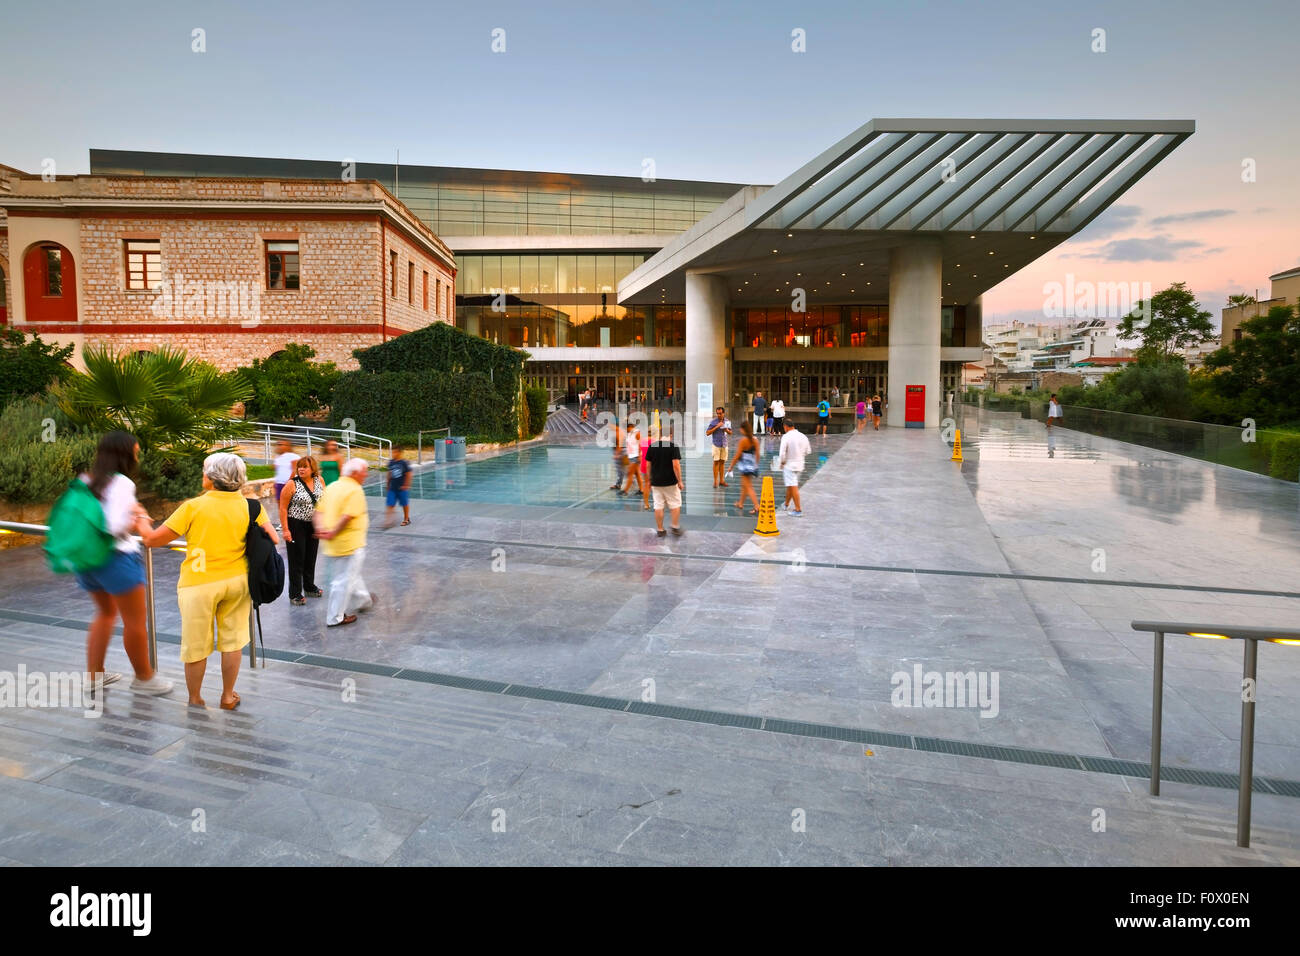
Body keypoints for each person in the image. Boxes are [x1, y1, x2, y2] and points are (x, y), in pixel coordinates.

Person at [137, 452, 278, 710]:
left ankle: (195, 698)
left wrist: (141, 522)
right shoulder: (251, 506)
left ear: (212, 478)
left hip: (198, 584)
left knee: (197, 644)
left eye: (205, 471)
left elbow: (153, 540)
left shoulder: (193, 507)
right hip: (237, 581)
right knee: (233, 642)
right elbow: (274, 539)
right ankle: (227, 696)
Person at [76, 432, 174, 696]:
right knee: (134, 622)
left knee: (105, 614)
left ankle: (94, 675)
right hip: (116, 560)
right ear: (125, 454)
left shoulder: (85, 480)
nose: (137, 457)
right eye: (136, 452)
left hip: (86, 560)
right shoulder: (122, 484)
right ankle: (144, 678)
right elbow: (114, 526)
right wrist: (139, 518)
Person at [315, 458, 374, 627]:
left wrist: (321, 530)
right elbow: (347, 517)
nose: (366, 474)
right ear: (355, 473)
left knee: (350, 573)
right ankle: (335, 617)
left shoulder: (332, 487)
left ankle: (364, 600)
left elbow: (318, 512)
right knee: (343, 581)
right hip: (350, 543)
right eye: (364, 471)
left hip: (334, 544)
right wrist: (333, 532)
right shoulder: (355, 490)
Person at [279, 455, 325, 606]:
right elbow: (283, 508)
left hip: (313, 524)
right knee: (296, 560)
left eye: (305, 466)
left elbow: (324, 501)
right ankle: (295, 594)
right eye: (299, 466)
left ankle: (309, 587)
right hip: (295, 524)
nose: (301, 469)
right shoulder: (292, 484)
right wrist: (286, 530)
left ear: (313, 469)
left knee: (310, 557)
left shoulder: (319, 480)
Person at [645, 427, 684, 537]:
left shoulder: (652, 447)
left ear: (660, 434)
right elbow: (676, 465)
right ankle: (675, 526)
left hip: (656, 482)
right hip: (670, 482)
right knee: (675, 504)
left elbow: (648, 465)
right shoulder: (673, 447)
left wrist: (648, 480)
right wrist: (680, 481)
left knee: (658, 505)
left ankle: (660, 529)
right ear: (671, 435)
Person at [778, 419, 811, 516]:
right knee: (790, 485)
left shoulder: (786, 437)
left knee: (793, 486)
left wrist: (782, 462)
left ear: (785, 426)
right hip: (800, 464)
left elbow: (782, 453)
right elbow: (807, 451)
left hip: (789, 464)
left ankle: (798, 509)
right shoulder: (803, 436)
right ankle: (786, 504)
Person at [727, 421, 761, 515]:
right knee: (744, 485)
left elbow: (737, 455)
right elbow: (757, 454)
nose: (740, 430)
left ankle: (757, 506)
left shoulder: (743, 441)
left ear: (743, 429)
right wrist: (756, 466)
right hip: (752, 464)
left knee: (748, 486)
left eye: (741, 429)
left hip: (744, 465)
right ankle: (741, 503)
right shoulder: (755, 440)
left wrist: (731, 467)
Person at [384, 444, 413, 527]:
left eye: (395, 452)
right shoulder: (391, 462)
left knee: (404, 504)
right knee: (390, 503)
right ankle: (388, 521)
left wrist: (406, 485)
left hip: (402, 488)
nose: (393, 454)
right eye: (392, 452)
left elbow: (409, 474)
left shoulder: (404, 463)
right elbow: (389, 473)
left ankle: (406, 519)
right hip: (393, 487)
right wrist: (388, 484)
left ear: (400, 453)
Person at [706, 405, 731, 487]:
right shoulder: (713, 422)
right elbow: (707, 433)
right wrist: (717, 426)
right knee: (716, 462)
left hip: (724, 444)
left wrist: (726, 429)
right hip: (716, 444)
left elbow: (730, 433)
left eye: (720, 413)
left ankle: (722, 481)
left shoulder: (727, 421)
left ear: (724, 413)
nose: (719, 415)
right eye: (717, 413)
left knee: (722, 463)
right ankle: (715, 481)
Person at [621, 421, 645, 498]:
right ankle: (641, 490)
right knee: (637, 474)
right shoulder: (629, 434)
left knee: (630, 473)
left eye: (627, 429)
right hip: (631, 456)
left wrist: (639, 456)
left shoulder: (637, 433)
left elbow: (640, 444)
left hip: (636, 456)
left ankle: (625, 490)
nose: (626, 430)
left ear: (630, 427)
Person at [272, 439, 296, 503]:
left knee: (288, 505)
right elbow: (277, 470)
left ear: (288, 446)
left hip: (288, 484)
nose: (279, 446)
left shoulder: (293, 456)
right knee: (280, 504)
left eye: (281, 444)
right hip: (279, 484)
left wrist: (289, 483)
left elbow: (295, 470)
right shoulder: (278, 457)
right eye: (278, 444)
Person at [609, 419, 624, 491]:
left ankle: (619, 484)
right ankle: (619, 484)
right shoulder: (618, 432)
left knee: (621, 470)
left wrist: (617, 454)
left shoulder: (619, 432)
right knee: (622, 470)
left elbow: (619, 445)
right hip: (621, 453)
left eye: (610, 425)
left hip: (621, 454)